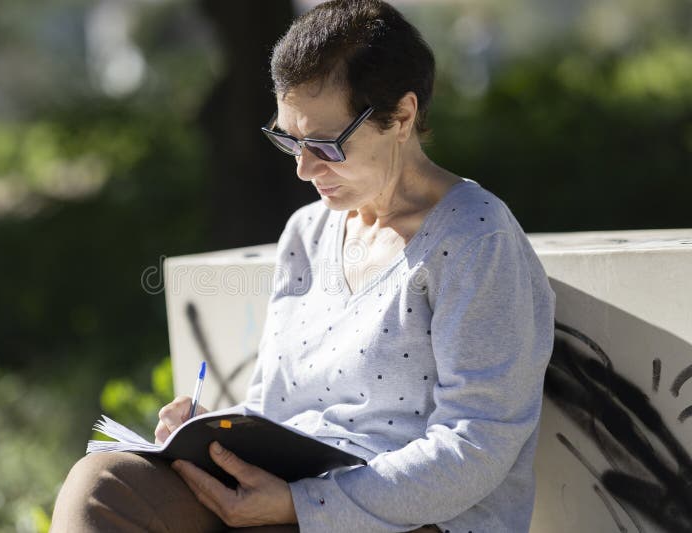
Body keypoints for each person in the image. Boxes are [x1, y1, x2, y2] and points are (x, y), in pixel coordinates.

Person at [50, 1, 556, 531]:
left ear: (402, 117)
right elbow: (274, 409)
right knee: (102, 485)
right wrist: (209, 439)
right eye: (290, 139)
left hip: (409, 518)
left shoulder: (476, 239)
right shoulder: (308, 233)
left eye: (325, 145)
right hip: (286, 500)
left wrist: (304, 505)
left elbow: (477, 444)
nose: (303, 168)